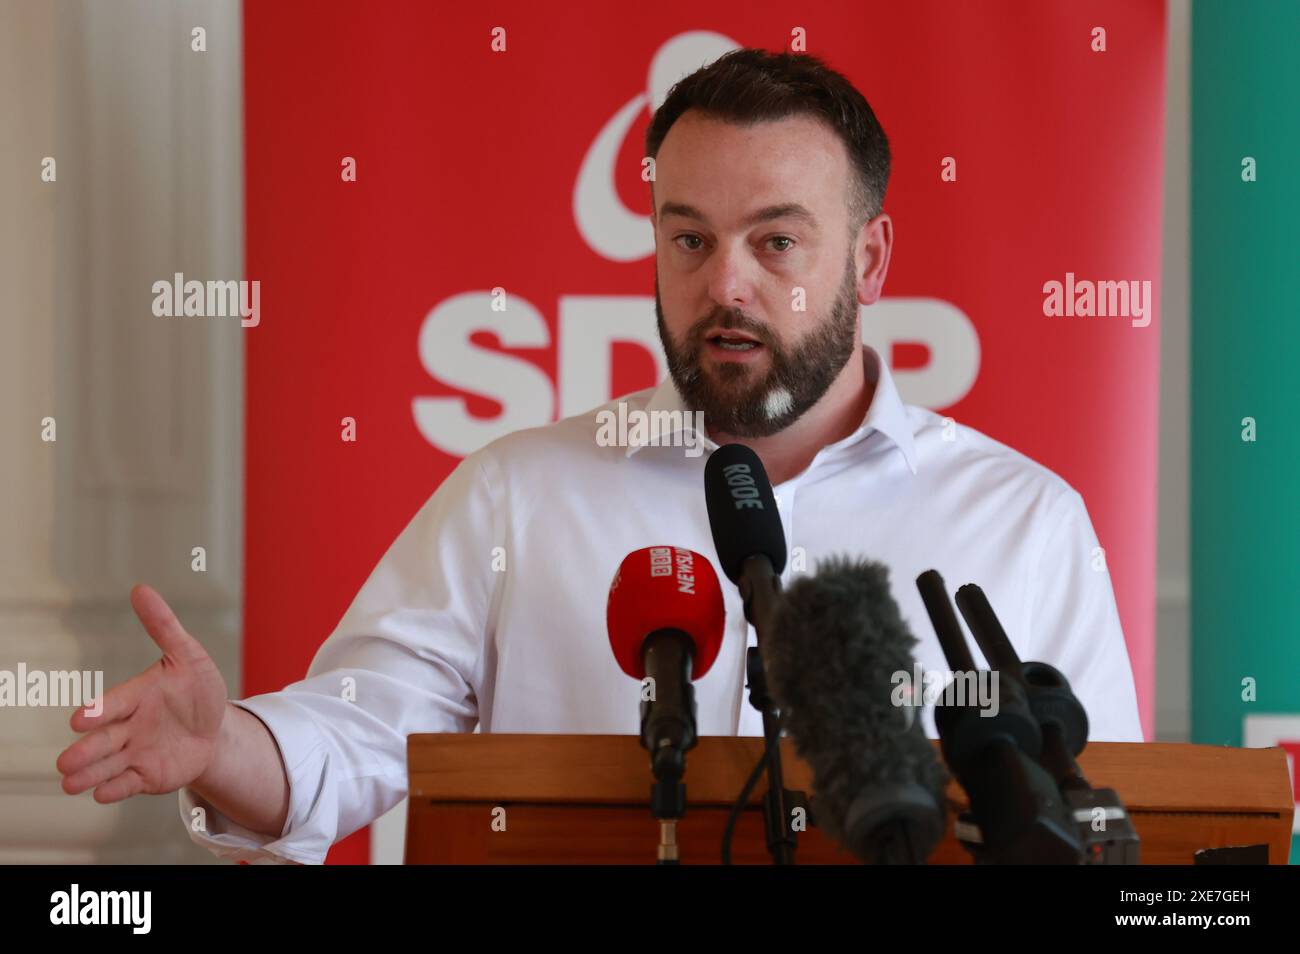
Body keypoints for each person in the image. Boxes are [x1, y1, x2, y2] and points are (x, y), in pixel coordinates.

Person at [55, 49, 1143, 865]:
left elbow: (1118, 821)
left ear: (870, 255)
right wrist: (224, 746)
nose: (724, 284)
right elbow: (355, 735)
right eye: (687, 238)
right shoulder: (518, 495)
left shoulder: (1025, 523)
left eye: (775, 240)